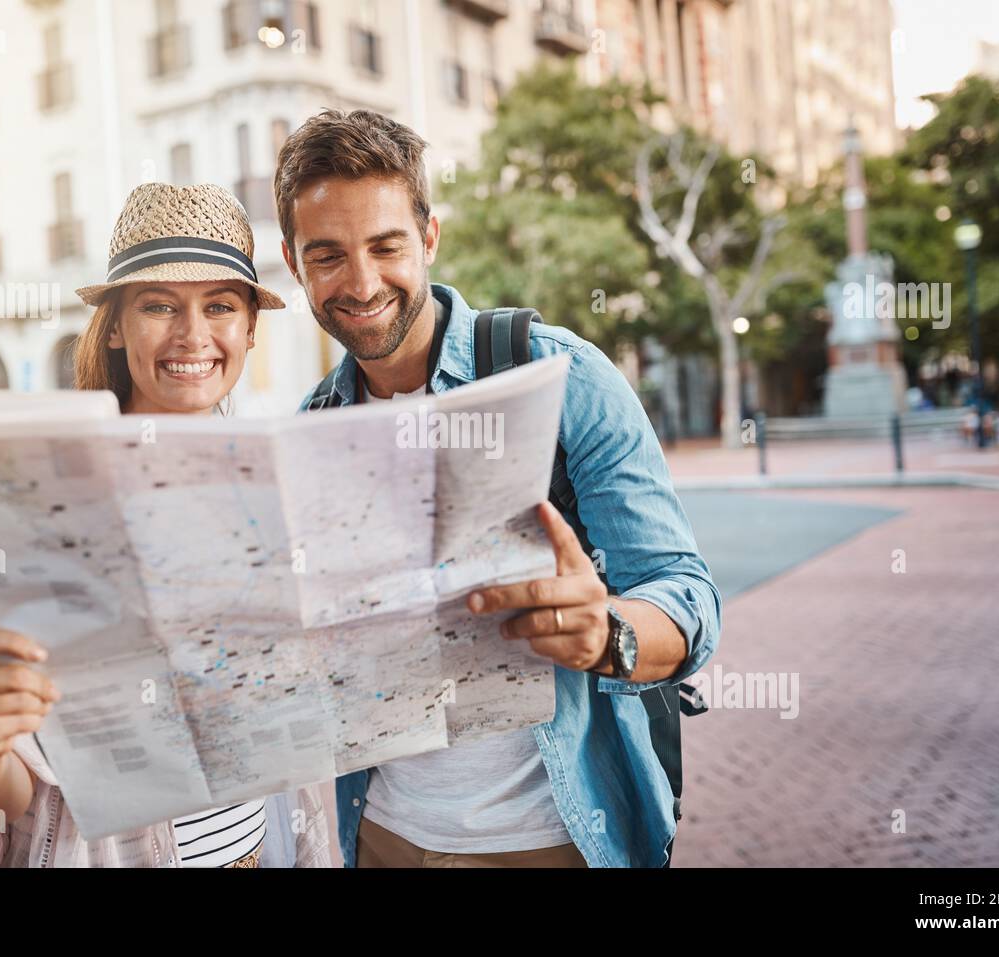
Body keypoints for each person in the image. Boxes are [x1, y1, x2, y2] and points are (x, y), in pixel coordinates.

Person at [274, 109, 722, 868]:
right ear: (293, 264)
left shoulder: (561, 375)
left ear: (429, 238)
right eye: (328, 256)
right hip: (381, 833)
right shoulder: (311, 425)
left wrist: (605, 632)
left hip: (558, 837)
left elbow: (687, 594)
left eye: (386, 246)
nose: (361, 282)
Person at [0, 183, 330, 867]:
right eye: (158, 305)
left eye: (219, 305)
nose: (193, 335)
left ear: (250, 326)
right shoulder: (42, 511)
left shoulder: (268, 495)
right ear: (113, 325)